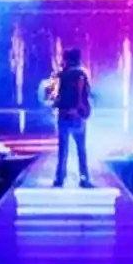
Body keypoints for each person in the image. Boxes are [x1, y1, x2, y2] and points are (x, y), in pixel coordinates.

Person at [51, 48, 93, 188]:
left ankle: (60, 178)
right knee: (81, 149)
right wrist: (81, 108)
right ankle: (84, 178)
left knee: (63, 150)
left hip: (64, 116)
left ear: (67, 59)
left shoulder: (61, 76)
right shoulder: (82, 74)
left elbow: (55, 98)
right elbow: (86, 96)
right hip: (78, 117)